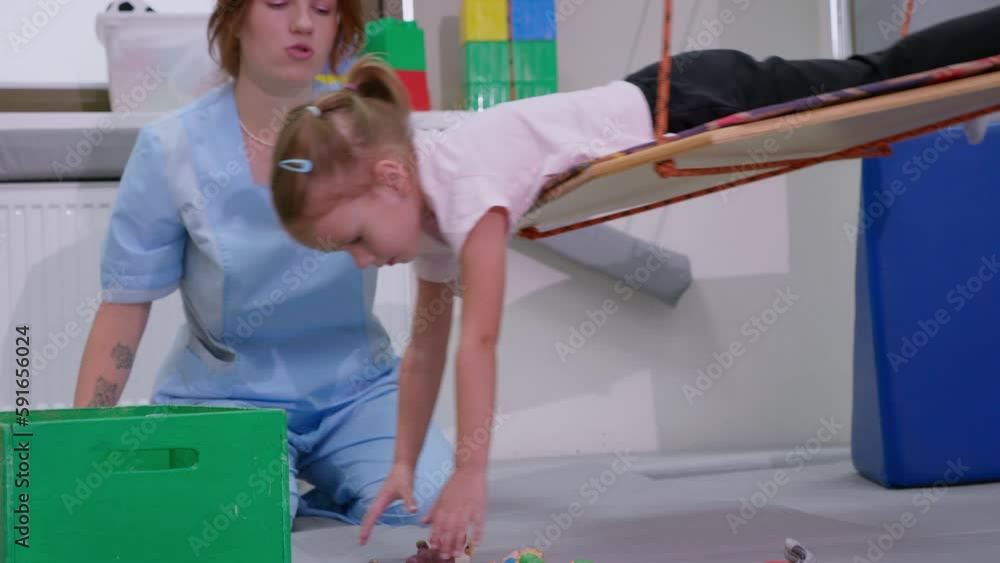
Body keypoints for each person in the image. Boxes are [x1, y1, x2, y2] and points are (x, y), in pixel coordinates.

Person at [264, 5, 1000, 556]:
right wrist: (401, 462)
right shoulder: (426, 218)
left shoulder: (465, 184)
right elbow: (424, 352)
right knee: (872, 83)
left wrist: (470, 473)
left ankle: (975, 60)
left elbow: (478, 339)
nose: (361, 261)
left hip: (694, 97)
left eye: (355, 239)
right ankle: (956, 97)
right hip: (665, 97)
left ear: (391, 178)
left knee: (870, 82)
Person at [72, 0, 453, 528]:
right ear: (234, 18)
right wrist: (78, 447)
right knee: (238, 523)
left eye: (323, 8)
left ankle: (304, 494)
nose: (303, 23)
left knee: (426, 504)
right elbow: (124, 306)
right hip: (225, 399)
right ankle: (281, 494)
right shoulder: (171, 147)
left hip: (358, 393)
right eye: (278, 3)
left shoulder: (367, 132)